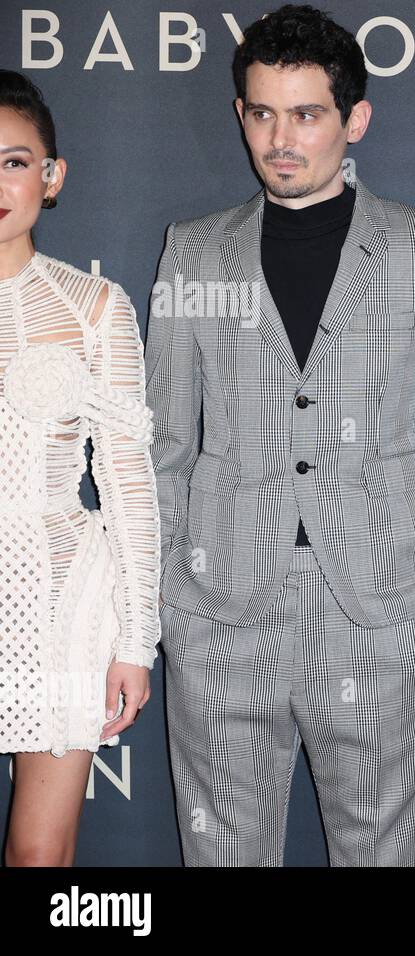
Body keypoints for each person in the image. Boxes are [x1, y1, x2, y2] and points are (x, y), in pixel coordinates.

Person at [145, 4, 415, 866]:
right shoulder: (192, 253)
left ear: (354, 119)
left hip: (376, 610)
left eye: (306, 113)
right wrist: (168, 599)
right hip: (220, 610)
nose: (280, 138)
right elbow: (163, 446)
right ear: (240, 115)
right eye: (261, 112)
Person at [0, 69, 160, 866]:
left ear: (51, 177)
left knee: (38, 855)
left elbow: (129, 481)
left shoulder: (93, 306)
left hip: (59, 602)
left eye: (14, 161)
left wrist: (136, 640)